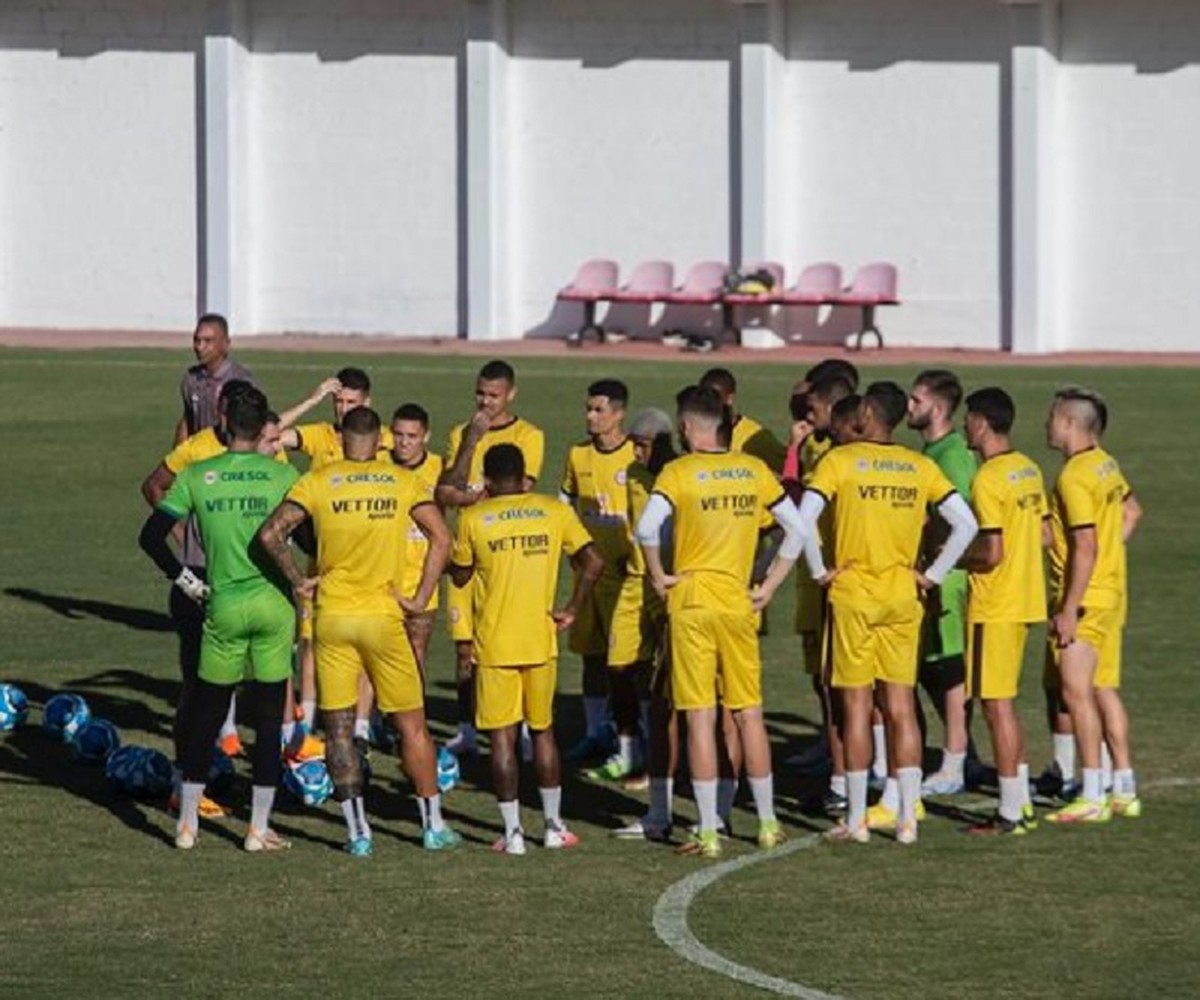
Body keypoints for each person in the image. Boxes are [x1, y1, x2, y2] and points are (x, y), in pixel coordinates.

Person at [257, 406, 461, 856]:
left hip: (333, 619)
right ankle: (433, 825)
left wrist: (298, 580)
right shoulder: (402, 480)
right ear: (382, 439)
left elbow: (271, 534)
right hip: (385, 618)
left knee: (340, 730)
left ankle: (358, 833)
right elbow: (442, 538)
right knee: (413, 727)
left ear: (343, 438)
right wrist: (420, 594)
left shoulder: (318, 480)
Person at [799, 382, 978, 845]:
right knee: (901, 707)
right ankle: (906, 819)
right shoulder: (919, 466)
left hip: (854, 592)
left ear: (862, 414)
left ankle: (857, 819)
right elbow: (967, 522)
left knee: (857, 706)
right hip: (903, 595)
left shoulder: (839, 461)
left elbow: (803, 516)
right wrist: (933, 575)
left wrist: (820, 569)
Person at [636, 385, 809, 859]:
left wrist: (657, 575)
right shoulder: (754, 471)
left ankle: (709, 829)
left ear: (689, 428)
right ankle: (769, 823)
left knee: (699, 717)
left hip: (690, 603)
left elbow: (646, 527)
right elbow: (796, 529)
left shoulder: (678, 472)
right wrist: (770, 584)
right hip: (738, 602)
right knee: (749, 714)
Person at [139, 387, 298, 851]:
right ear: (263, 425)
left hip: (221, 604)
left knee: (206, 715)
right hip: (273, 607)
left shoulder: (197, 475)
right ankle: (258, 829)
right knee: (268, 720)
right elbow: (306, 533)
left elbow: (150, 538)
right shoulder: (281, 474)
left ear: (224, 420)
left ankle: (187, 824)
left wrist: (188, 582)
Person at [450, 444, 604, 855]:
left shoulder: (474, 518)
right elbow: (593, 562)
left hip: (495, 644)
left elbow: (462, 574)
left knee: (501, 737)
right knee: (543, 732)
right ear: (523, 478)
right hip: (540, 640)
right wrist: (571, 608)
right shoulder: (554, 512)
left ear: (486, 480)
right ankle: (553, 827)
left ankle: (513, 833)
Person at [276, 367, 393, 750]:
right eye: (338, 402)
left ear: (367, 403)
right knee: (310, 639)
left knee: (365, 645)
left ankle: (360, 723)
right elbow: (271, 434)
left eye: (351, 402)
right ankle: (305, 721)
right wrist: (312, 399)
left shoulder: (385, 440)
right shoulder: (320, 435)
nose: (343, 410)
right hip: (322, 558)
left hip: (370, 559)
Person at [1043, 387, 1142, 823]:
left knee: (1075, 692)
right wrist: (1108, 560)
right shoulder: (1105, 463)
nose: (1046, 424)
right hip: (1111, 592)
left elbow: (1084, 544)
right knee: (1103, 688)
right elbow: (1132, 513)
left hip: (1086, 599)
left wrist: (1070, 605)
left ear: (1068, 423)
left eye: (1051, 417)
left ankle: (1093, 794)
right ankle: (1124, 787)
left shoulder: (1075, 475)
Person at [436, 360, 545, 757]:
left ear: (511, 394)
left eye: (493, 395)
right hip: (467, 559)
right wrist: (470, 441)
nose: (485, 401)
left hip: (509, 558)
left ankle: (527, 729)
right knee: (465, 649)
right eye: (480, 393)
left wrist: (465, 496)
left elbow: (520, 488)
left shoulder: (529, 436)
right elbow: (445, 490)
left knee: (516, 648)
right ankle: (468, 729)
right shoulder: (460, 433)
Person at [960, 388, 1045, 835]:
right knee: (1004, 704)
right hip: (1026, 597)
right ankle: (1023, 802)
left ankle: (1011, 813)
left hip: (997, 603)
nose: (962, 427)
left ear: (981, 422)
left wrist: (956, 558)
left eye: (967, 419)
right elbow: (1045, 536)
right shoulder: (1027, 468)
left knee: (996, 707)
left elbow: (991, 552)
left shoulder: (989, 478)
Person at [559, 380, 640, 773]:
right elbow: (565, 503)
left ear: (619, 413)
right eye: (588, 409)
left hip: (626, 579)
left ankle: (632, 742)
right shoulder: (577, 454)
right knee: (591, 657)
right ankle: (595, 732)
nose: (590, 416)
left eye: (598, 410)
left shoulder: (634, 456)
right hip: (589, 576)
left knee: (624, 664)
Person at [906, 369, 978, 800]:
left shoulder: (951, 455)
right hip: (932, 573)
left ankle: (955, 761)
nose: (909, 408)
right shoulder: (934, 450)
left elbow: (956, 521)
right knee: (930, 668)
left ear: (935, 407)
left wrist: (933, 569)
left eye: (916, 401)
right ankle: (961, 752)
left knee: (950, 669)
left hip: (946, 577)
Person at [613, 408, 680, 841]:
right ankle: (634, 752)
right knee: (621, 666)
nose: (636, 451)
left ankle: (673, 770)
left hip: (673, 588)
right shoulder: (633, 474)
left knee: (674, 690)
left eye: (643, 443)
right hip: (638, 583)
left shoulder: (677, 474)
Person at [391, 403, 443, 677]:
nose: (404, 442)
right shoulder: (379, 465)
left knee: (416, 650)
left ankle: (413, 713)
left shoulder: (439, 468)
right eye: (398, 434)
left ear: (426, 436)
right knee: (377, 653)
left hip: (424, 577)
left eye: (411, 436)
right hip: (385, 576)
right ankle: (373, 716)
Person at [175, 313, 255, 445]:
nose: (200, 347)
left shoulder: (242, 380)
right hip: (200, 459)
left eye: (208, 341)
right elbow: (188, 420)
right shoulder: (191, 379)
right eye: (197, 340)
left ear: (225, 343)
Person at [698, 367, 787, 472]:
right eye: (704, 398)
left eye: (715, 398)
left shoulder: (756, 437)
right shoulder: (698, 432)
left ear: (730, 398)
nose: (709, 403)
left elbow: (788, 468)